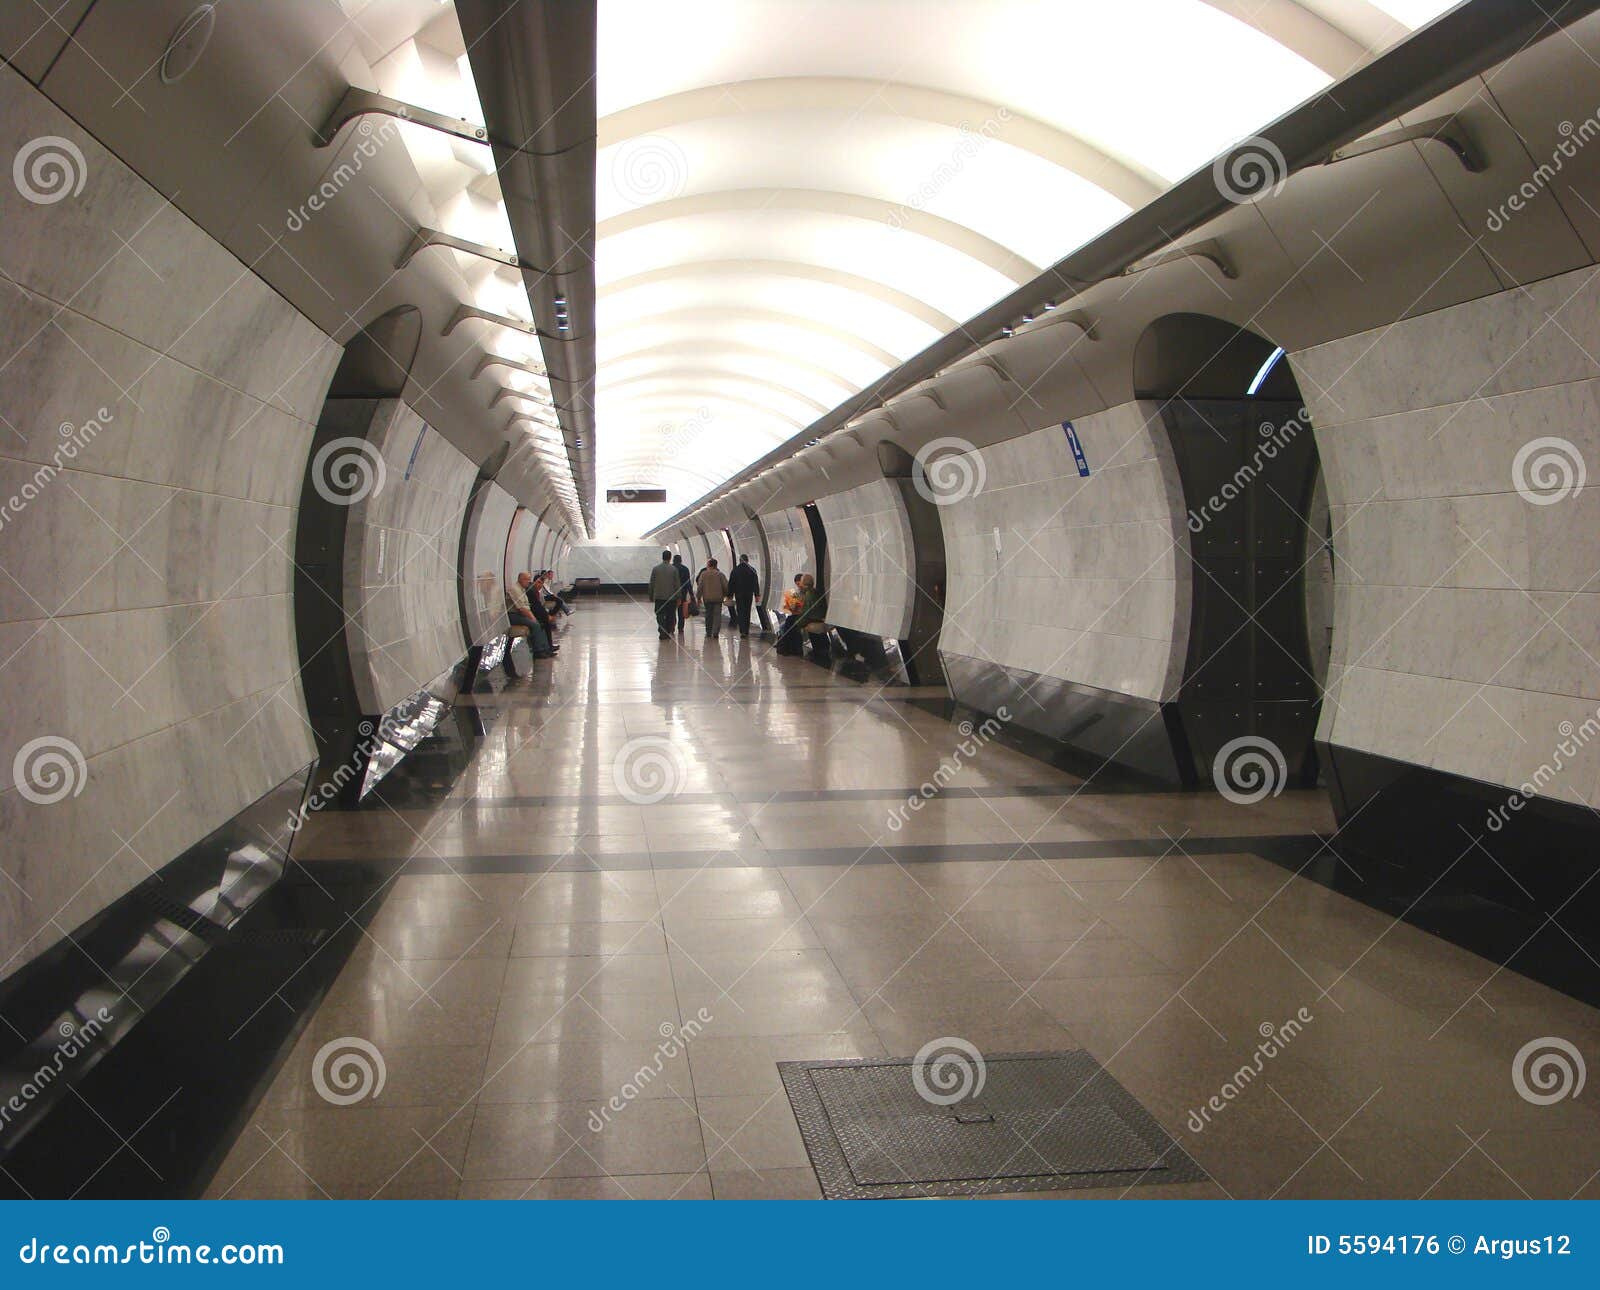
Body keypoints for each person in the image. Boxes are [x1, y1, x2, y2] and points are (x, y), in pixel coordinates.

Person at [506, 573, 556, 658]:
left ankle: (546, 648)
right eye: (527, 580)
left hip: (520, 613)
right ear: (521, 579)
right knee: (536, 625)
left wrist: (533, 617)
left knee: (540, 623)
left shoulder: (522, 589)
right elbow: (521, 608)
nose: (529, 582)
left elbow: (526, 606)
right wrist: (533, 618)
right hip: (513, 615)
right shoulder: (515, 589)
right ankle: (539, 651)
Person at [648, 550, 679, 639]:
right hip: (671, 598)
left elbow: (652, 583)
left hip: (659, 597)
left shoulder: (656, 569)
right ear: (670, 558)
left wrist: (651, 595)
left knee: (660, 614)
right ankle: (668, 630)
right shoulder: (674, 569)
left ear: (662, 557)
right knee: (670, 615)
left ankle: (662, 631)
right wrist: (679, 597)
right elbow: (677, 584)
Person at [696, 558, 730, 639]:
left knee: (708, 615)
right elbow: (725, 586)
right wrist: (726, 595)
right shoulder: (720, 574)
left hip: (707, 598)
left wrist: (698, 597)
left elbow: (700, 586)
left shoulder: (703, 574)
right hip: (718, 598)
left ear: (708, 565)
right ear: (716, 565)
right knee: (717, 615)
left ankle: (708, 632)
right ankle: (715, 632)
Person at [728, 554, 759, 637]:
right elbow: (755, 583)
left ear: (740, 560)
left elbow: (731, 583)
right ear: (747, 560)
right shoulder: (752, 570)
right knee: (747, 611)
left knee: (740, 611)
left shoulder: (735, 570)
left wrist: (730, 595)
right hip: (749, 594)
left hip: (739, 594)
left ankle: (742, 631)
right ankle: (746, 629)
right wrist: (756, 595)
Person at [673, 553, 693, 634]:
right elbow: (688, 583)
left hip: (672, 593)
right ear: (681, 560)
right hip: (682, 593)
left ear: (673, 560)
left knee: (672, 611)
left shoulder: (671, 568)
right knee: (681, 611)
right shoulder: (685, 569)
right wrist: (691, 594)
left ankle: (672, 627)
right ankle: (680, 628)